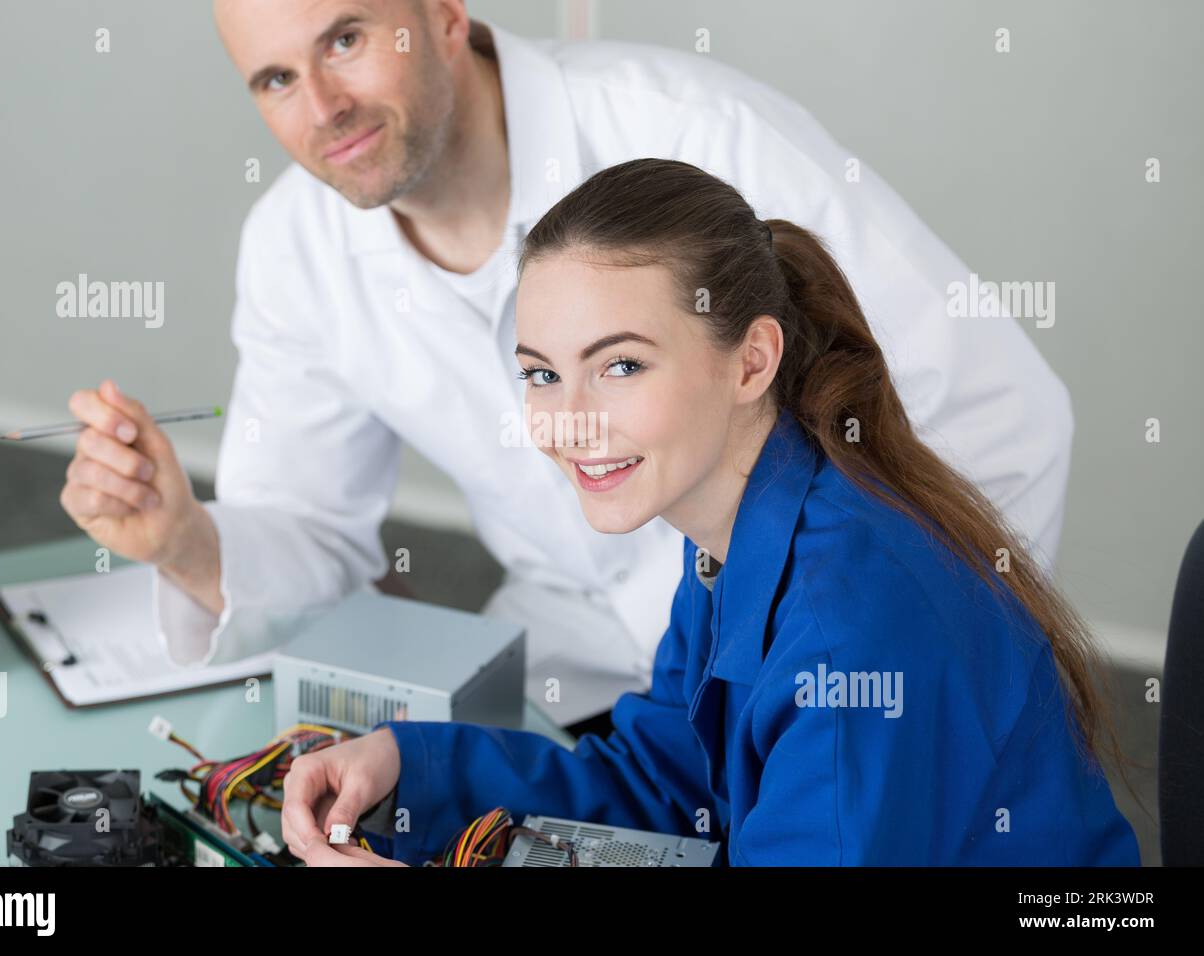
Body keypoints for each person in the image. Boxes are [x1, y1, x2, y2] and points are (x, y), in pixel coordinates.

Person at [59, 0, 1075, 736]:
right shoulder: (293, 244)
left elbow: (999, 413)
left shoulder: (693, 134)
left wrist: (883, 690)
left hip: (806, 674)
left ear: (445, 16)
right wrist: (185, 539)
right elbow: (316, 533)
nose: (321, 105)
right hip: (571, 671)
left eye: (347, 38)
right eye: (276, 79)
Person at [280, 159, 1139, 867]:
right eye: (542, 373)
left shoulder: (850, 633)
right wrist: (416, 772)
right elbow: (668, 789)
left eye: (620, 366)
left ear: (750, 361)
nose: (570, 420)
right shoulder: (730, 537)